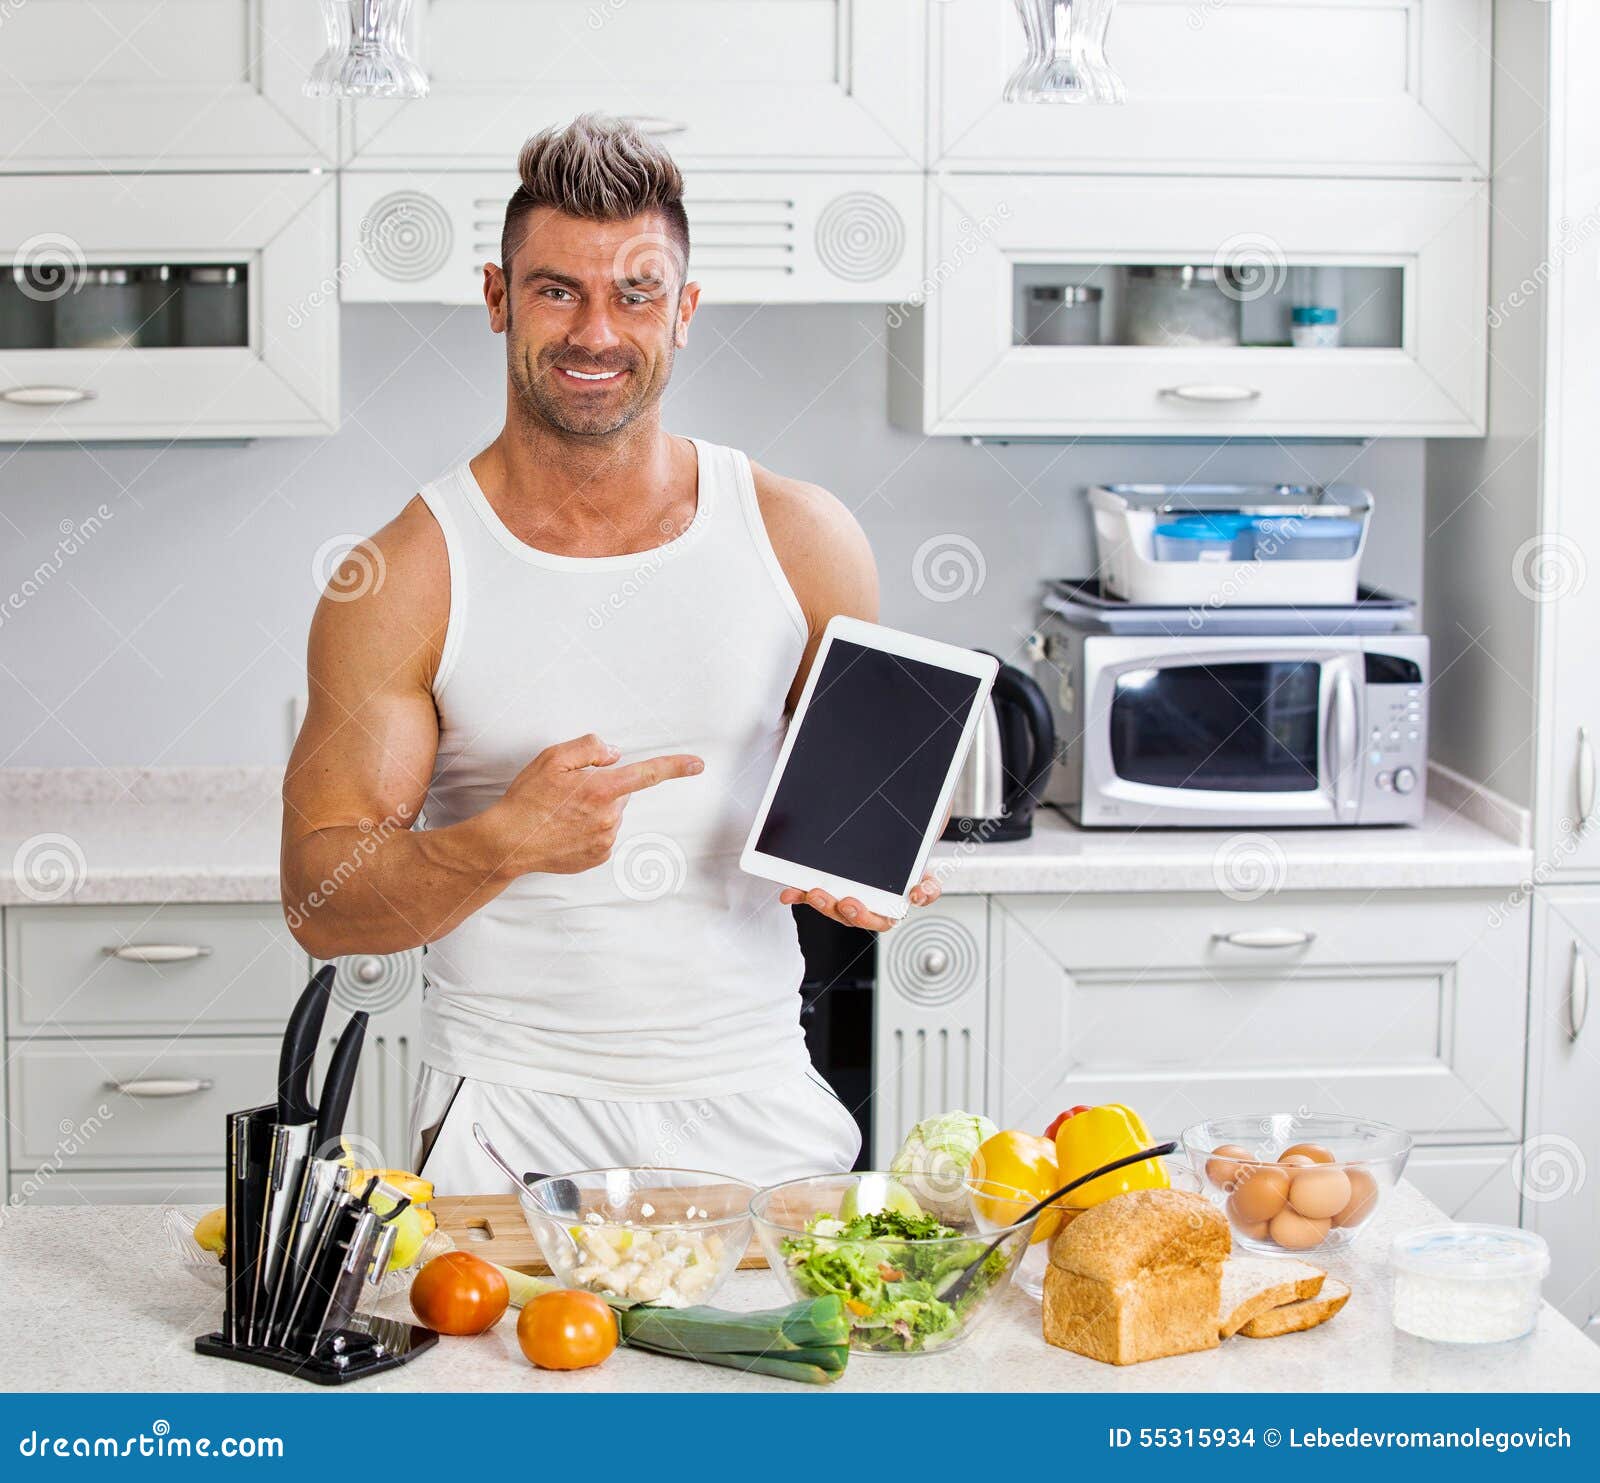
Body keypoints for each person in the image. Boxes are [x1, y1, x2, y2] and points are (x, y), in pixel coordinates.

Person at [279, 115, 942, 1194]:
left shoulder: (803, 538)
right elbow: (320, 903)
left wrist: (870, 865)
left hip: (757, 1097)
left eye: (634, 295)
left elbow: (861, 817)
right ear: (498, 298)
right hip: (506, 1116)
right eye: (556, 291)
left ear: (682, 313)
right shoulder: (404, 576)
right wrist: (501, 840)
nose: (595, 331)